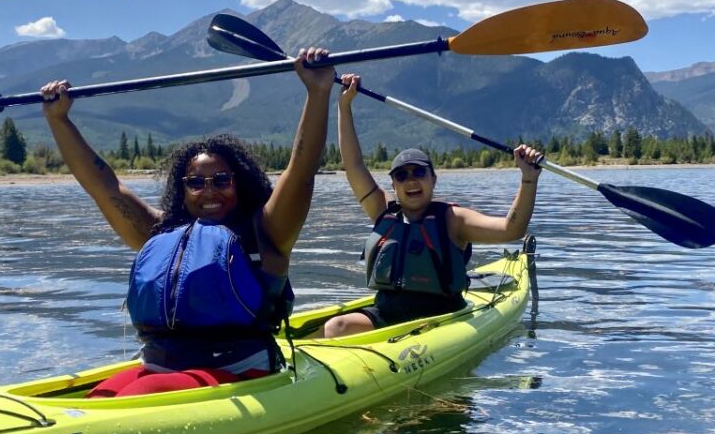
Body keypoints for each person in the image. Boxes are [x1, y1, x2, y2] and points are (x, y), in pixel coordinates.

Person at [41, 47, 335, 397]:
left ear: (239, 183)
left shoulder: (267, 232)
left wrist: (318, 91)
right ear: (182, 189)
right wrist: (59, 120)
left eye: (221, 180)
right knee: (98, 396)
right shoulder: (160, 233)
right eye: (196, 182)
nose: (208, 191)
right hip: (161, 365)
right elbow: (104, 187)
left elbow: (300, 171)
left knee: (136, 394)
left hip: (240, 369)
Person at [321, 74, 543, 338]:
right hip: (388, 315)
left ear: (433, 179)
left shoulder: (452, 219)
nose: (411, 180)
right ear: (393, 185)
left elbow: (511, 229)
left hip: (443, 320)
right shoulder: (382, 210)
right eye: (402, 175)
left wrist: (528, 179)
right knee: (336, 327)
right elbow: (354, 164)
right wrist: (344, 106)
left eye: (419, 173)